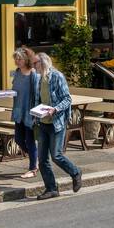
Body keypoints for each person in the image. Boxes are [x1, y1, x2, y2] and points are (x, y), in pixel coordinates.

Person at [31, 52, 82, 199]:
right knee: (42, 160)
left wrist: (55, 109)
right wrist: (36, 113)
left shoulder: (57, 76)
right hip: (42, 122)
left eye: (36, 63)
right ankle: (51, 189)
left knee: (56, 156)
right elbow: (38, 99)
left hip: (56, 123)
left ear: (43, 63)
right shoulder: (38, 79)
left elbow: (67, 99)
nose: (34, 67)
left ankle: (76, 172)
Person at [9, 47, 39, 179]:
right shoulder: (16, 72)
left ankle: (33, 168)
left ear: (26, 59)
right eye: (15, 58)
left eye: (19, 58)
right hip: (18, 111)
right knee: (18, 139)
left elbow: (37, 94)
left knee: (30, 140)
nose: (16, 61)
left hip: (30, 112)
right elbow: (14, 89)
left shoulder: (33, 74)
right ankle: (36, 158)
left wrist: (36, 113)